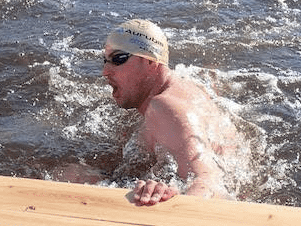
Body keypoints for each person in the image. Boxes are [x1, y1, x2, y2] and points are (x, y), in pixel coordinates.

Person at [102, 19, 240, 206]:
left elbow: (209, 181)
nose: (105, 71)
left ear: (150, 61)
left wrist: (178, 202)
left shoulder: (165, 107)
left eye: (118, 59)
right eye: (105, 60)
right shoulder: (188, 87)